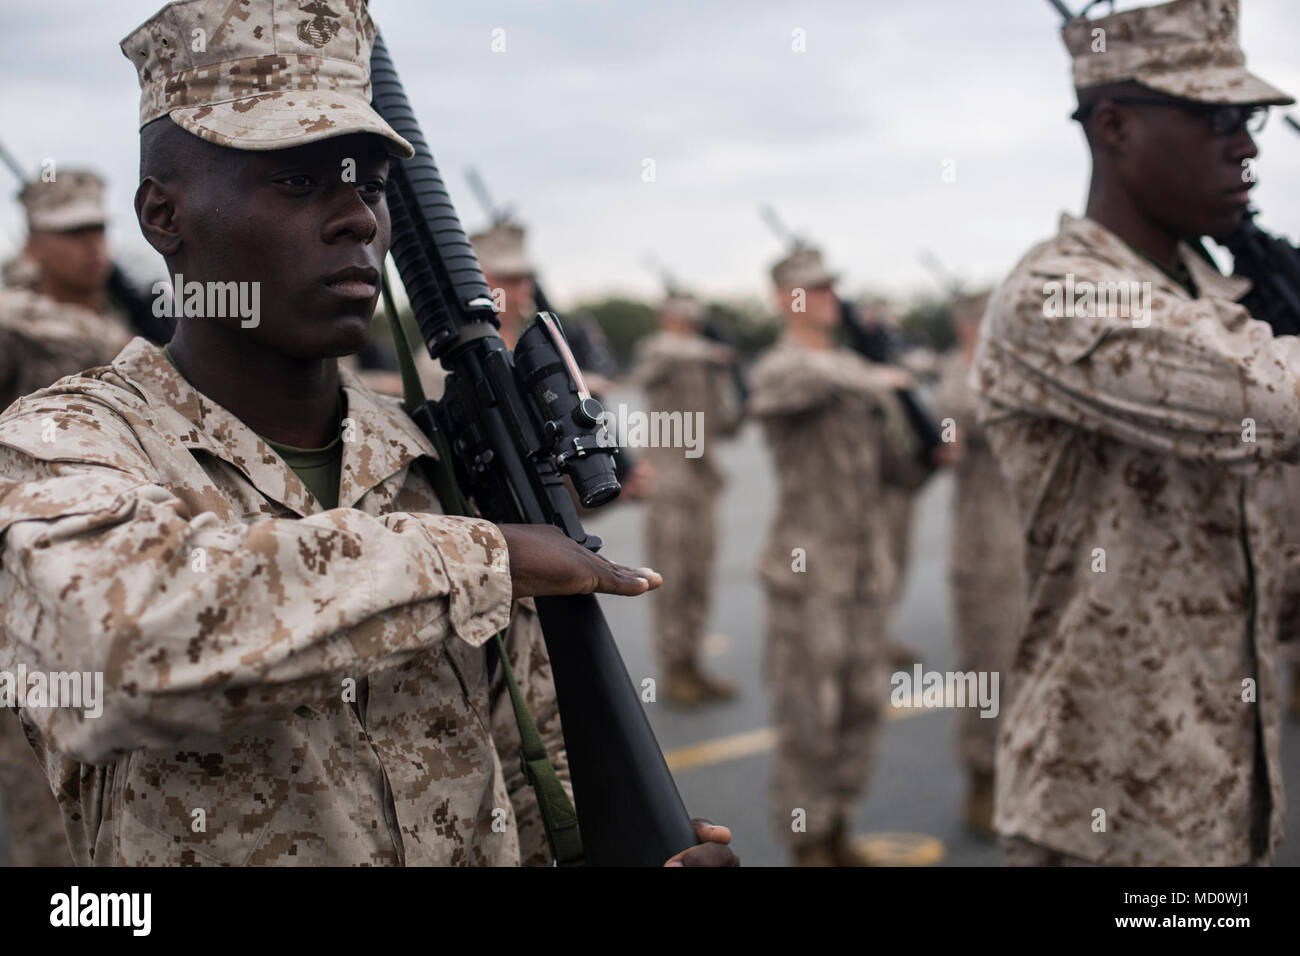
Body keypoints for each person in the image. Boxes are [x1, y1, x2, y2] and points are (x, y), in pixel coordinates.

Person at [0, 0, 734, 868]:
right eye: (297, 181)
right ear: (165, 217)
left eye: (373, 187)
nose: (356, 219)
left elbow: (529, 758)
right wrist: (477, 558)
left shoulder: (434, 463)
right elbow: (123, 656)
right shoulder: (63, 440)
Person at [974, 0, 1298, 866]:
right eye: (1215, 117)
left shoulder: (1224, 295)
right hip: (1100, 812)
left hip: (1232, 801)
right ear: (1113, 125)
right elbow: (1270, 399)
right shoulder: (1059, 295)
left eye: (1253, 119)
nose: (1248, 145)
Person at [750, 243, 926, 865]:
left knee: (861, 706)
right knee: (807, 714)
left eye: (829, 287)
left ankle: (838, 827)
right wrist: (877, 379)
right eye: (812, 289)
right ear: (785, 299)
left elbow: (899, 472)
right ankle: (806, 841)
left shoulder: (860, 372)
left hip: (865, 568)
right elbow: (772, 390)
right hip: (807, 569)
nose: (827, 298)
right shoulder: (788, 366)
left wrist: (929, 450)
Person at [0, 168, 134, 867]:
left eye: (98, 229)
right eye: (70, 232)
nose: (92, 246)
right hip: (29, 611)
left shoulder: (118, 321)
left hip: (112, 601)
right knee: (47, 826)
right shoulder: (19, 325)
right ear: (34, 241)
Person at [932, 290, 1024, 837]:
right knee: (988, 668)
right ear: (971, 329)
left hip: (1043, 544)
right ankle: (984, 778)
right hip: (986, 549)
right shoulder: (956, 377)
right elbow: (958, 420)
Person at [631, 290, 744, 705]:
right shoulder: (662, 352)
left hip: (702, 483)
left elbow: (728, 424)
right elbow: (651, 364)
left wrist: (732, 381)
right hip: (669, 483)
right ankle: (674, 667)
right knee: (672, 578)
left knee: (699, 578)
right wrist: (710, 353)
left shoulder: (707, 364)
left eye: (693, 322)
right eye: (682, 320)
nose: (687, 328)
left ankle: (693, 662)